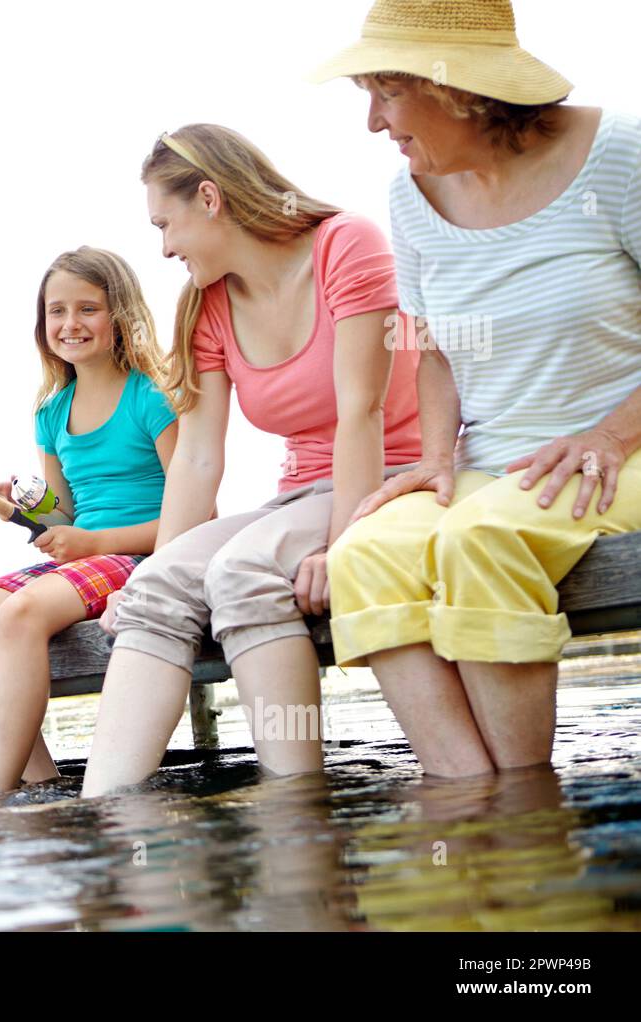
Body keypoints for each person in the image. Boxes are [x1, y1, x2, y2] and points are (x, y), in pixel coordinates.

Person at [310, 0, 641, 775]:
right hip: (492, 464)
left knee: (479, 537)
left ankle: (524, 809)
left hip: (622, 450)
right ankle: (468, 799)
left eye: (386, 93)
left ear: (455, 87)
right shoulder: (409, 197)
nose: (373, 122)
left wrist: (608, 436)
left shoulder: (620, 154)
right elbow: (430, 350)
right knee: (364, 554)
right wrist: (434, 457)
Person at [80, 125, 422, 797]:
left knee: (242, 571)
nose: (165, 246)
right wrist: (159, 568)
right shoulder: (207, 303)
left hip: (390, 479)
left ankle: (296, 807)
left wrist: (343, 545)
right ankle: (107, 815)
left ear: (209, 197)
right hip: (298, 495)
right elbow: (200, 459)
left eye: (166, 224)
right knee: (151, 590)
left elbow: (363, 412)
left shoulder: (345, 246)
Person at [0, 247, 177, 796]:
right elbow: (64, 515)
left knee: (21, 612)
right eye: (56, 311)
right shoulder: (50, 412)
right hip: (90, 556)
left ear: (121, 315)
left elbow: (196, 518)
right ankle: (42, 786)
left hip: (145, 554)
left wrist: (93, 540)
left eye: (88, 309)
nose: (70, 324)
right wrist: (27, 510)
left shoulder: (154, 396)